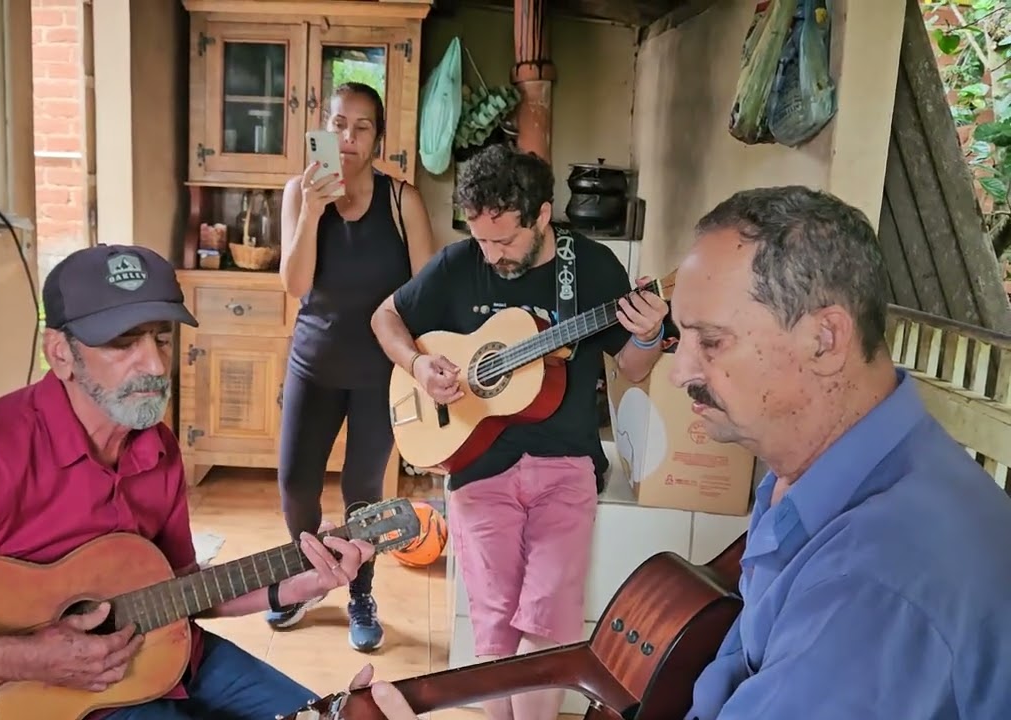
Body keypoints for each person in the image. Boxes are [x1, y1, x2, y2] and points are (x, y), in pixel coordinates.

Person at [0, 244, 375, 720]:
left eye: (161, 337)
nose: (152, 364)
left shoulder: (157, 447)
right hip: (58, 701)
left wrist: (287, 589)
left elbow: (175, 589)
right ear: (60, 354)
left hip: (173, 658)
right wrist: (27, 659)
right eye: (123, 342)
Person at [671, 186, 1011, 719]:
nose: (681, 373)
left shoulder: (875, 586)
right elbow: (743, 661)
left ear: (825, 340)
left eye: (710, 342)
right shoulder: (822, 477)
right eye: (681, 339)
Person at [369, 144, 669, 720]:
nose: (491, 254)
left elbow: (632, 366)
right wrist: (416, 365)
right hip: (478, 468)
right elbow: (386, 317)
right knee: (493, 626)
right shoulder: (461, 263)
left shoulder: (593, 267)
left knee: (549, 620)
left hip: (566, 468)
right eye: (482, 239)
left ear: (542, 214)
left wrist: (650, 333)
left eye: (504, 240)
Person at [272, 81, 433, 651]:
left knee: (362, 491)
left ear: (377, 138)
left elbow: (426, 292)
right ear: (322, 126)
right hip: (312, 365)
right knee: (295, 485)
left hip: (378, 375)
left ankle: (360, 590)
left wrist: (420, 363)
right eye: (339, 123)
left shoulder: (401, 200)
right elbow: (295, 286)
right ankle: (311, 579)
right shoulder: (300, 192)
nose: (347, 136)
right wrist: (312, 212)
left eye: (362, 127)